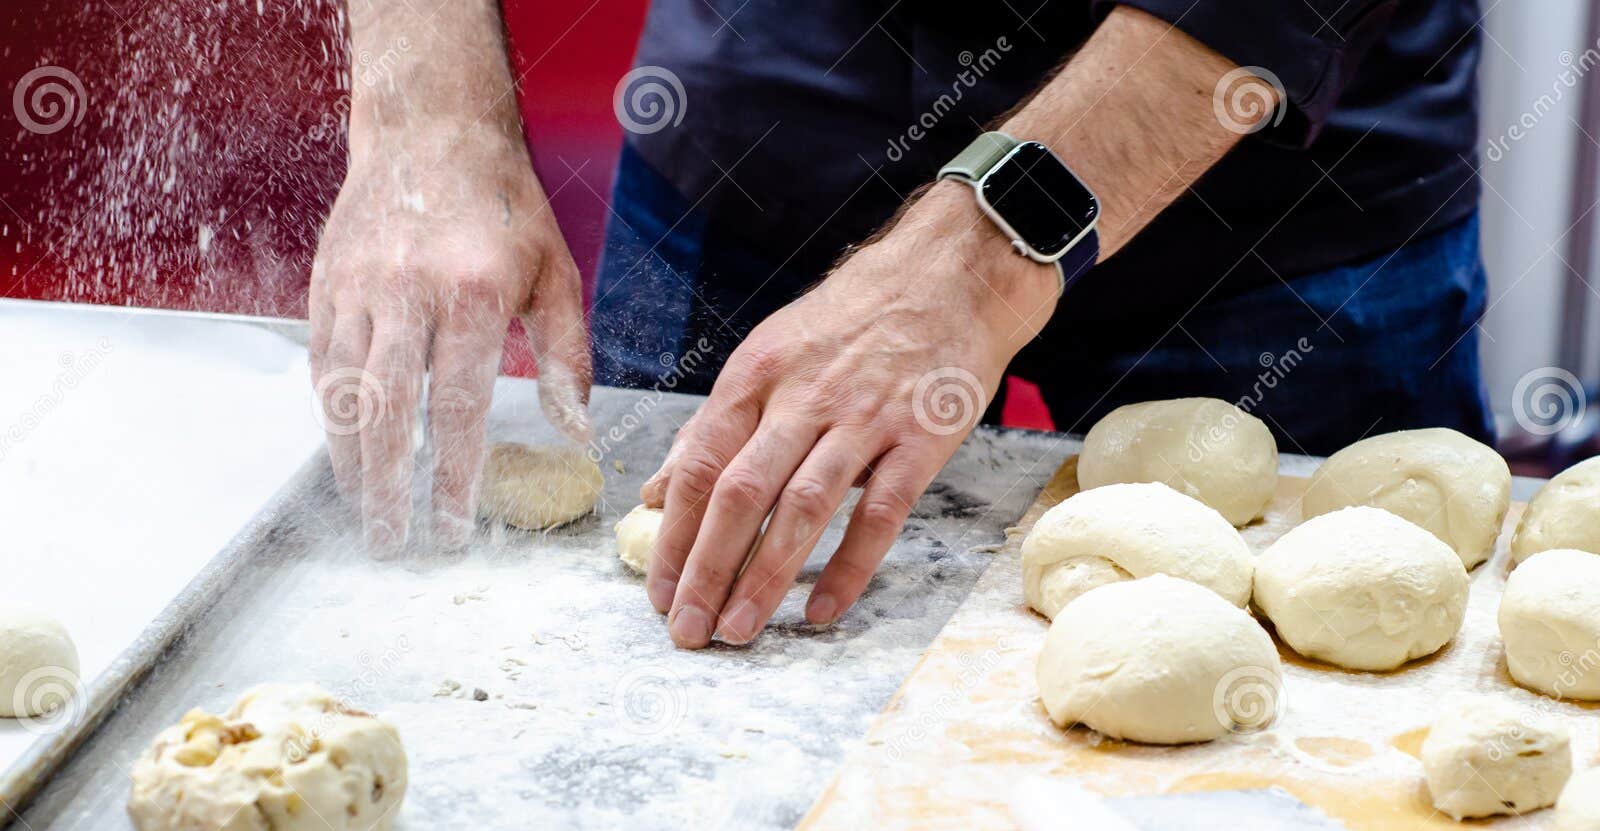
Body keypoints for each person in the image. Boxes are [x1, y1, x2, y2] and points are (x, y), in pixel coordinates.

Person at [312, 1, 1489, 650]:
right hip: (782, 109)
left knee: (1335, 710)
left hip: (1262, 176)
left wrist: (978, 261)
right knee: (664, 639)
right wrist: (426, 116)